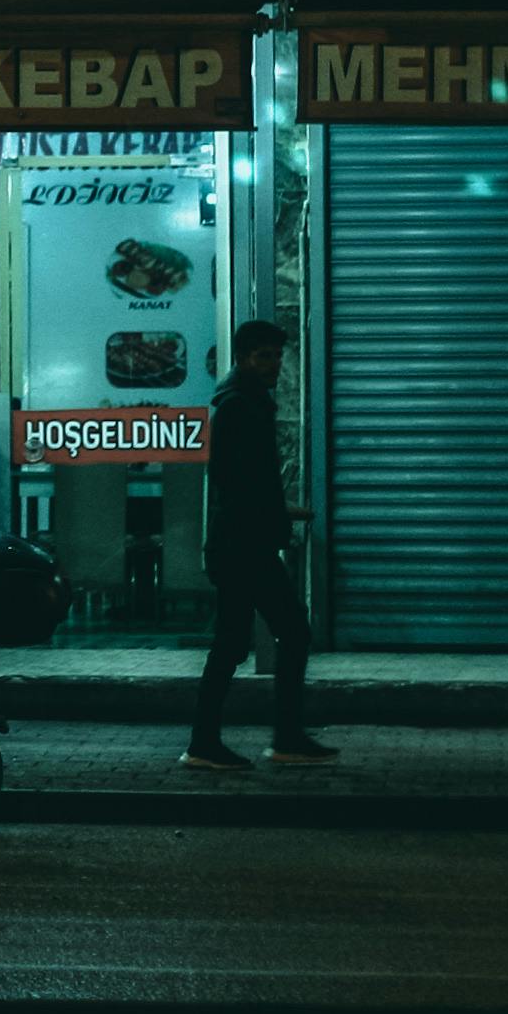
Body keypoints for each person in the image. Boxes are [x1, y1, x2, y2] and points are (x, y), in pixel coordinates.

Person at [185, 317, 332, 773]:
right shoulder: (238, 406)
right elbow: (237, 485)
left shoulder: (246, 402)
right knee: (282, 634)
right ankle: (255, 740)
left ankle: (219, 742)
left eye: (278, 355)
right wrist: (274, 514)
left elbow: (249, 482)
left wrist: (281, 510)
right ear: (243, 356)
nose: (274, 364)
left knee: (239, 643)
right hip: (243, 549)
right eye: (264, 355)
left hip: (244, 545)